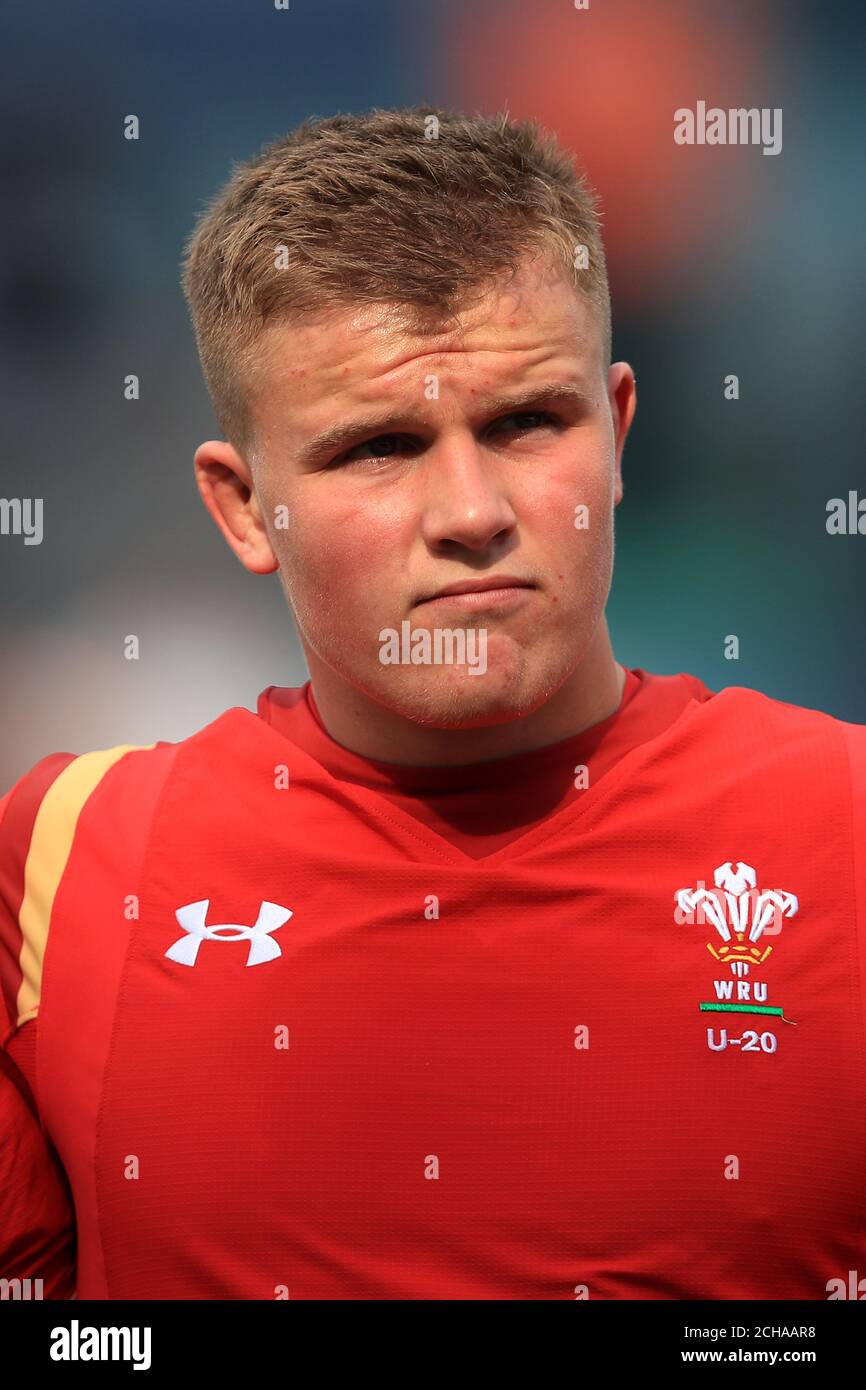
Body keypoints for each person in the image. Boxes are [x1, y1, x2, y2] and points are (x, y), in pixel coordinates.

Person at [2, 107, 864, 1302]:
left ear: (615, 434)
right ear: (243, 507)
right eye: (379, 447)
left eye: (524, 423)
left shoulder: (846, 831)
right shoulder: (65, 861)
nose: (468, 511)